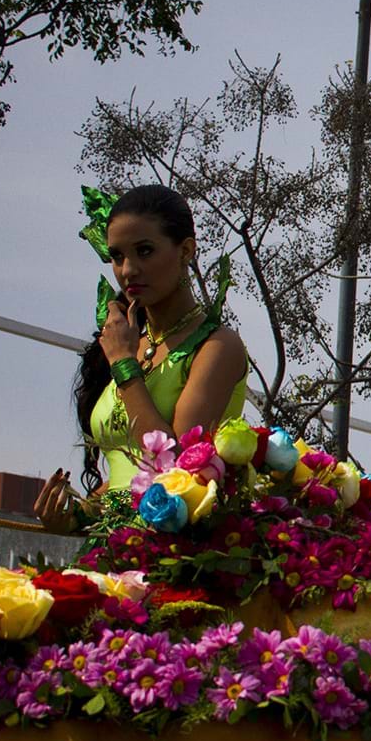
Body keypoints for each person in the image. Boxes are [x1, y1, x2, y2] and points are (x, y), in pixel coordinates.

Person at [35, 184, 248, 531]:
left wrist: (124, 364)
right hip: (113, 547)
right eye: (117, 256)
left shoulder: (217, 347)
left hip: (174, 559)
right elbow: (126, 476)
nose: (128, 270)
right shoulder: (129, 342)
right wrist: (77, 514)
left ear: (186, 251)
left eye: (144, 251)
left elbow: (174, 466)